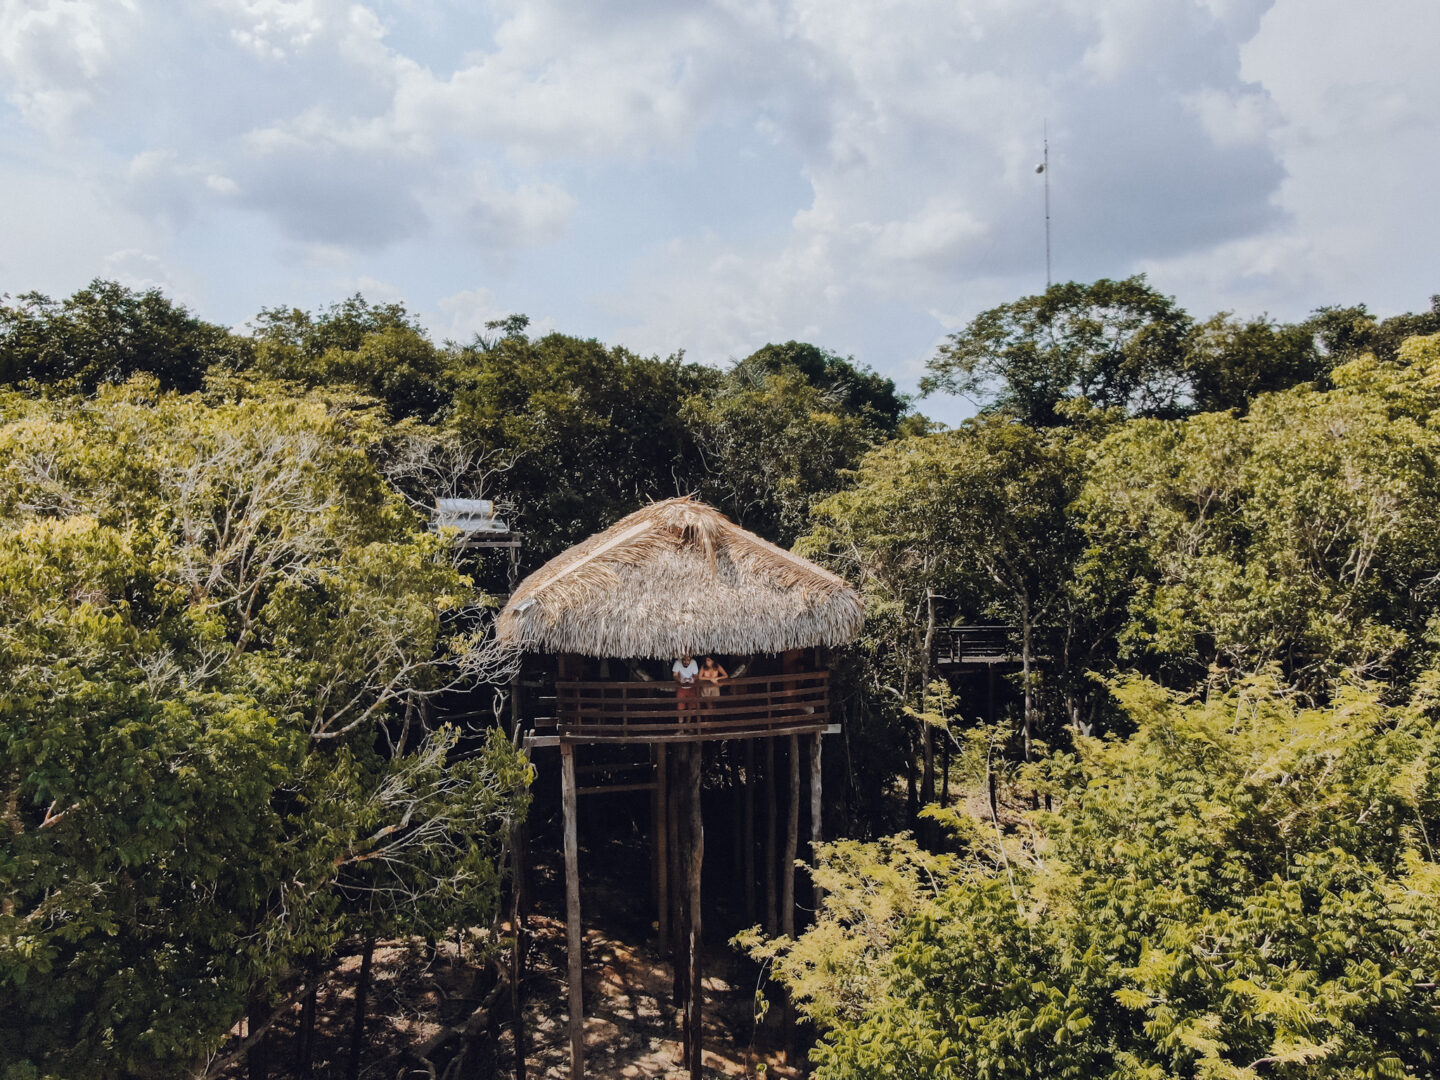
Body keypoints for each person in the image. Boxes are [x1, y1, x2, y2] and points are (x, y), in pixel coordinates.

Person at [673, 653, 699, 718]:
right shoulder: (677, 662)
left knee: (691, 707)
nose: (686, 662)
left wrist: (694, 679)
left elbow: (696, 675)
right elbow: (675, 675)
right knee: (680, 708)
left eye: (688, 660)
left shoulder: (693, 662)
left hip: (691, 687)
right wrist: (679, 680)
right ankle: (681, 727)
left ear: (691, 659)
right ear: (681, 659)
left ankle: (688, 725)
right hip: (681, 688)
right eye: (684, 660)